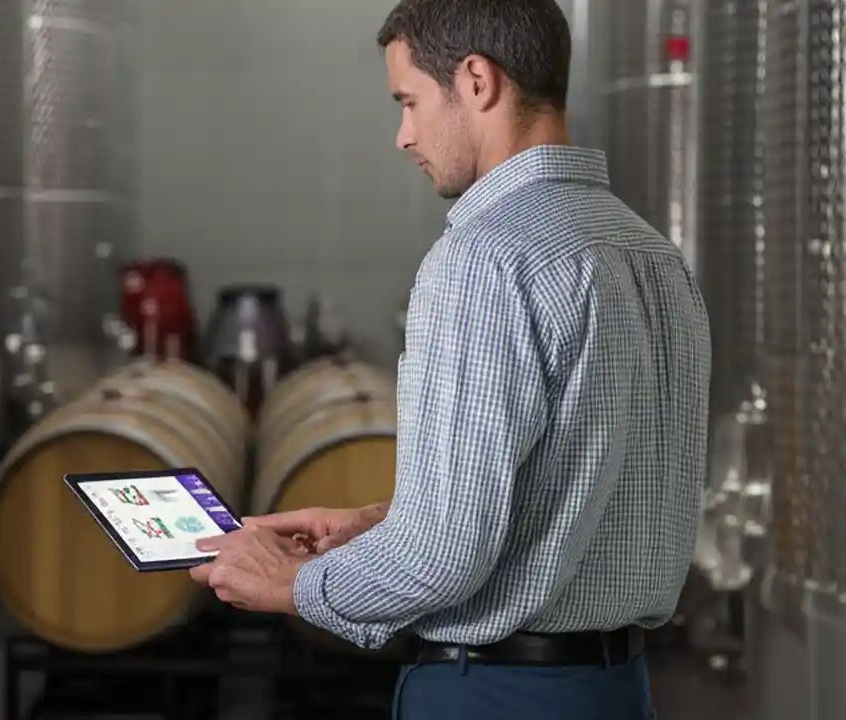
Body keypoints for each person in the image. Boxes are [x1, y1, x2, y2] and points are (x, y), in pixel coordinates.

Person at [188, 0, 711, 717]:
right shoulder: (655, 257)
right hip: (617, 691)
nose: (404, 135)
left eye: (409, 101)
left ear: (476, 81)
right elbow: (590, 500)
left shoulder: (484, 260)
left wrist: (288, 585)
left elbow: (443, 558)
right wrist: (385, 524)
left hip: (495, 694)